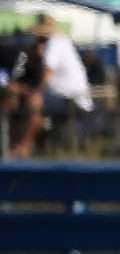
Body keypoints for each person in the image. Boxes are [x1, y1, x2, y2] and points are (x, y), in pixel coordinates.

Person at [6, 14, 94, 157]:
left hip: (71, 100)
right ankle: (19, 144)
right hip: (68, 97)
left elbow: (47, 73)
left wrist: (34, 92)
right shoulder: (57, 43)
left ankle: (24, 147)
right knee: (22, 100)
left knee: (35, 103)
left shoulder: (55, 43)